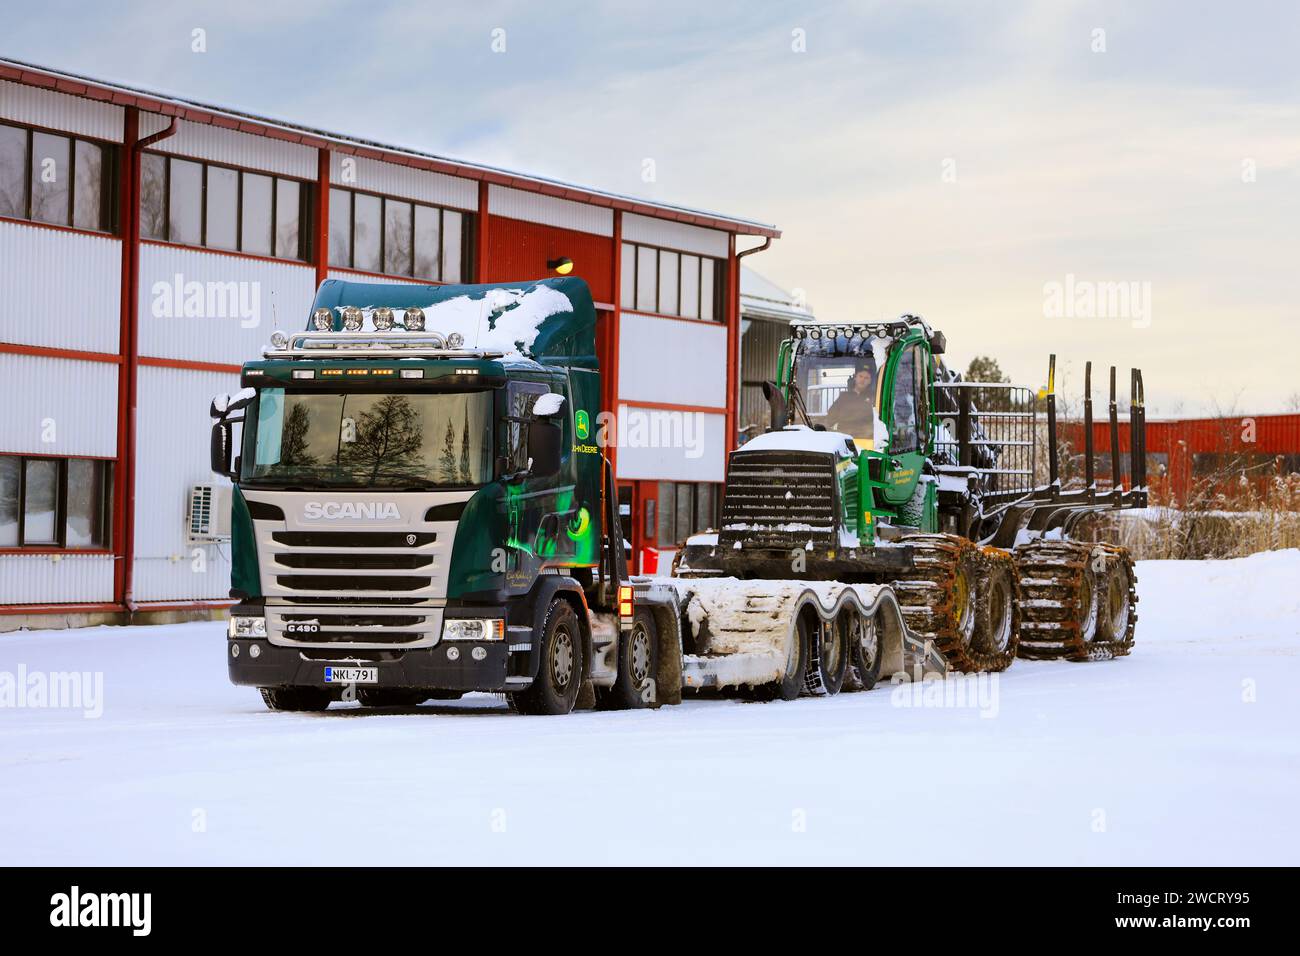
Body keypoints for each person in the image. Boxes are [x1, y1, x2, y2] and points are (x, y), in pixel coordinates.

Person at [825, 359, 876, 437]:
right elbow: (831, 417)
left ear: (870, 381)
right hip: (845, 437)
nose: (862, 380)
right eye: (860, 376)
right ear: (855, 378)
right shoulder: (843, 397)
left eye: (866, 378)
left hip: (867, 438)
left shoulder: (874, 398)